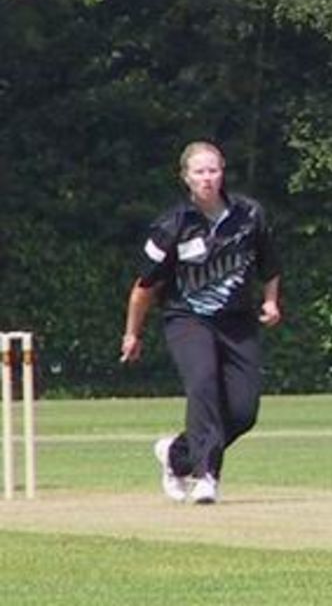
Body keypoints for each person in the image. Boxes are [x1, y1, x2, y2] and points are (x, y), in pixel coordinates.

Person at [120, 141, 282, 505]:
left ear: (222, 172)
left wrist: (271, 301)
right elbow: (144, 287)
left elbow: (270, 265)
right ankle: (206, 475)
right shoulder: (171, 225)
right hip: (187, 318)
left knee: (243, 412)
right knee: (203, 383)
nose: (207, 178)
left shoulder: (250, 214)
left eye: (213, 170)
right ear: (186, 177)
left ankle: (176, 454)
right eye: (199, 172)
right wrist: (132, 333)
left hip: (237, 322)